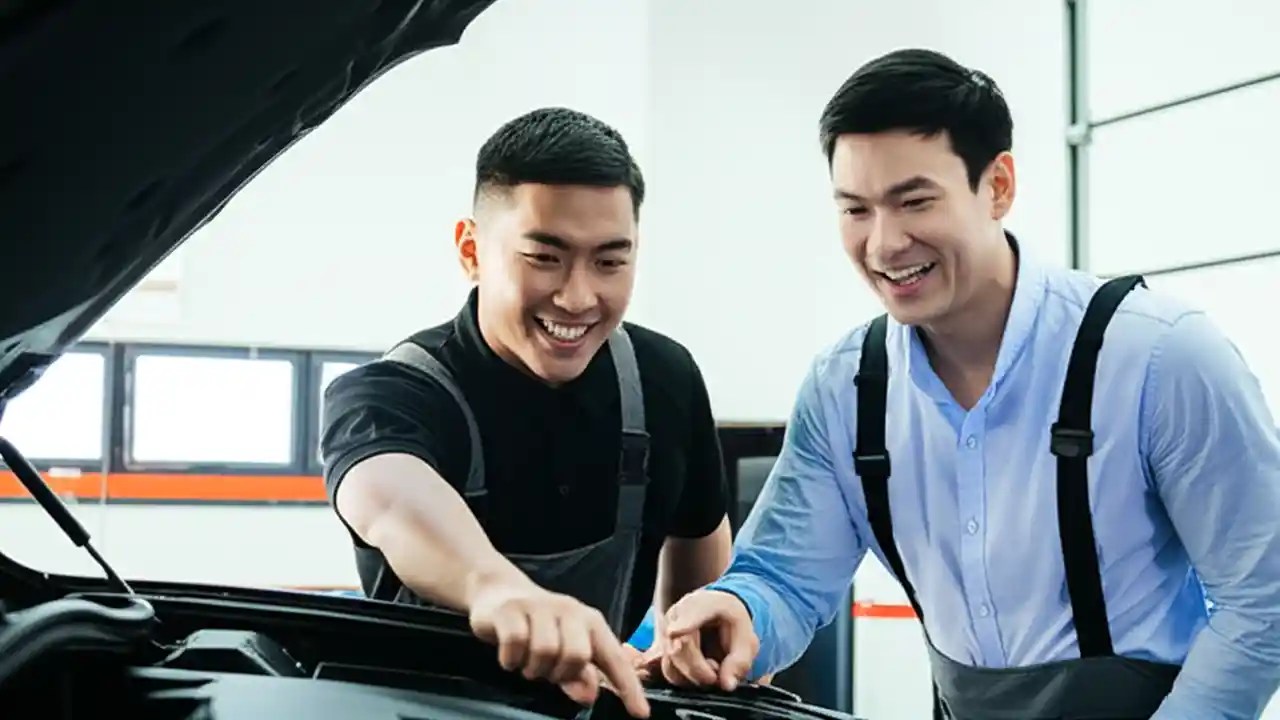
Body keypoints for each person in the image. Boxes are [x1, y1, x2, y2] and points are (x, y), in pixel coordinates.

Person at [650, 48, 1280, 719]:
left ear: (998, 185)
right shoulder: (847, 390)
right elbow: (785, 577)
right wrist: (738, 610)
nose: (884, 243)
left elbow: (1264, 596)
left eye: (914, 201)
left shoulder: (1160, 357)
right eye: (855, 209)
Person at [320, 107, 733, 718]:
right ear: (471, 250)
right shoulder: (395, 390)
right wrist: (498, 588)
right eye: (545, 257)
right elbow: (388, 498)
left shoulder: (664, 380)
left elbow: (699, 567)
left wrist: (696, 655)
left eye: (610, 261)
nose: (577, 296)